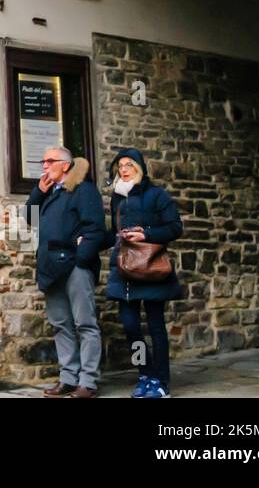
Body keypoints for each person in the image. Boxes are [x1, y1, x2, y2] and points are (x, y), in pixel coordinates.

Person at [25, 147, 106, 398]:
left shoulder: (83, 190)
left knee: (85, 324)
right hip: (51, 268)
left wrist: (81, 259)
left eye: (50, 161)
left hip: (75, 267)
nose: (45, 165)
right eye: (44, 160)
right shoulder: (50, 193)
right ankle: (68, 378)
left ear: (66, 165)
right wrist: (39, 191)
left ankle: (88, 382)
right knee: (61, 325)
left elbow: (96, 229)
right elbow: (30, 217)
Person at [105, 147, 183, 399]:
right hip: (124, 267)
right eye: (120, 165)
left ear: (139, 168)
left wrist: (146, 233)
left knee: (156, 325)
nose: (124, 169)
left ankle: (162, 382)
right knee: (130, 326)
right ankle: (146, 373)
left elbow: (175, 227)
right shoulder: (117, 197)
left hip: (150, 267)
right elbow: (112, 231)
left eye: (129, 165)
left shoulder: (157, 195)